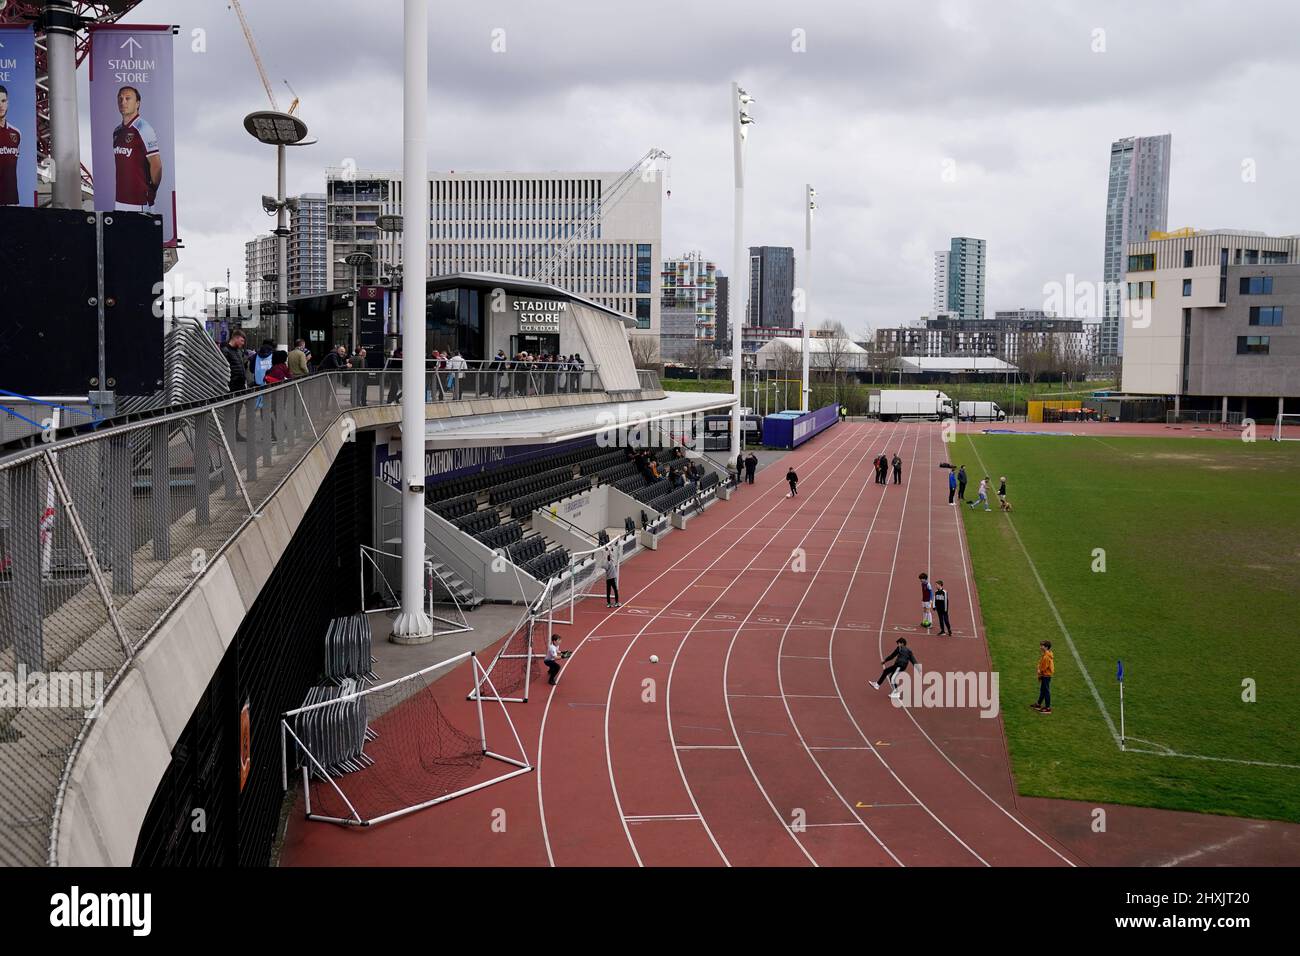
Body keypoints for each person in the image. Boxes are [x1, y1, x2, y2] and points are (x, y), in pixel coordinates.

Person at [112, 85, 162, 213]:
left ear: (137, 103)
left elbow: (156, 165)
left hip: (139, 202)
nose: (123, 102)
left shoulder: (144, 129)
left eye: (128, 98)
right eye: (120, 99)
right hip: (120, 200)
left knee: (142, 233)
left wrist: (151, 191)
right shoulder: (117, 131)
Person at [221, 329, 251, 441]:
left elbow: (241, 367)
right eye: (242, 341)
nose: (243, 344)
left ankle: (235, 433)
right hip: (231, 387)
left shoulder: (238, 351)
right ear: (236, 338)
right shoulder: (225, 351)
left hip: (240, 387)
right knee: (229, 412)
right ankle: (228, 434)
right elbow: (223, 369)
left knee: (237, 412)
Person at [0, 86, 21, 207]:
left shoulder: (16, 133)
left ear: (7, 102)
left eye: (3, 101)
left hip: (12, 201)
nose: (0, 106)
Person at [1033, 640, 1054, 714]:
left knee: (1046, 691)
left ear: (1046, 647)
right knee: (1043, 690)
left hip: (1046, 675)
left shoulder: (1046, 656)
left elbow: (1044, 667)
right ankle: (1038, 704)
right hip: (1045, 675)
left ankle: (1048, 708)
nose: (1040, 647)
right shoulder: (1046, 654)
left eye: (1042, 646)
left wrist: (1039, 670)